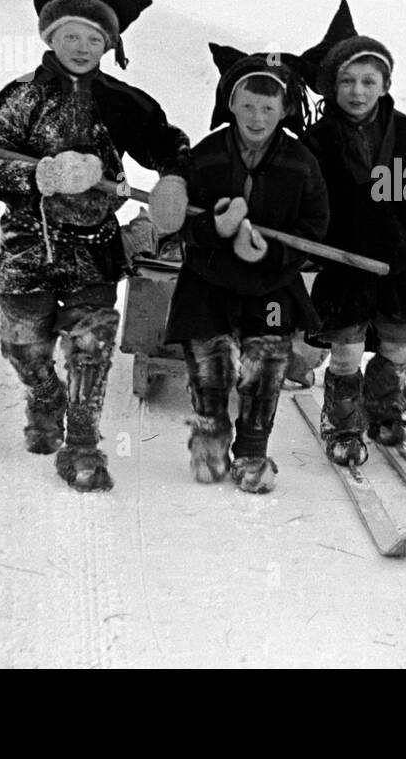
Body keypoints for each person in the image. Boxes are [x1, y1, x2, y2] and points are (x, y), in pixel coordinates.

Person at [0, 0, 189, 492]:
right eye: (69, 35)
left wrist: (174, 176)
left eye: (91, 38)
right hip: (29, 238)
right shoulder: (20, 97)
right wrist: (38, 176)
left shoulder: (121, 101)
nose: (79, 46)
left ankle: (82, 444)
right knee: (22, 342)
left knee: (90, 345)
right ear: (51, 36)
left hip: (93, 245)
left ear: (107, 45)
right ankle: (44, 395)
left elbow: (167, 143)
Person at [146, 46, 328, 493]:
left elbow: (314, 226)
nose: (257, 116)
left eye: (268, 107)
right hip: (208, 280)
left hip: (270, 285)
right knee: (210, 366)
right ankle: (209, 435)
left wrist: (270, 253)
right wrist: (212, 227)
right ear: (229, 104)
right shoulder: (206, 156)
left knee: (265, 368)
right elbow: (182, 225)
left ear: (284, 110)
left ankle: (251, 451)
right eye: (246, 104)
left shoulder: (301, 163)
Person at [298, 0, 406, 465]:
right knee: (347, 350)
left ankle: (385, 409)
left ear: (385, 85)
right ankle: (343, 423)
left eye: (368, 81)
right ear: (333, 86)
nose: (357, 91)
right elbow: (303, 204)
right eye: (348, 81)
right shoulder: (318, 143)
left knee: (397, 347)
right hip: (344, 263)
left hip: (396, 262)